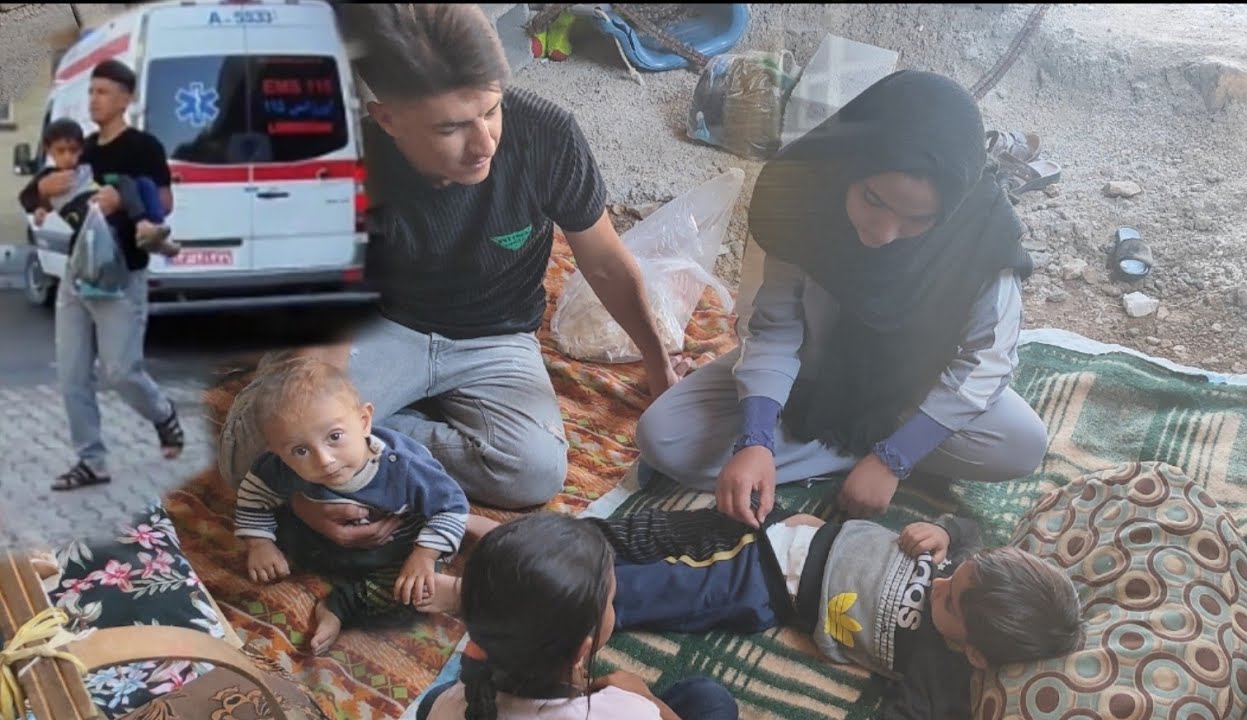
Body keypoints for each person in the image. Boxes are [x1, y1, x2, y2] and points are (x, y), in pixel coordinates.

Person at [218, 4, 683, 544]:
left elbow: (604, 261)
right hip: (379, 324)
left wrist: (658, 366)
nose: (484, 143)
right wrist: (309, 493)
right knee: (253, 456)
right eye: (451, 127)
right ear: (388, 119)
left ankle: (370, 430)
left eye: (491, 110)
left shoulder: (548, 134)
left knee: (534, 470)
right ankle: (332, 411)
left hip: (496, 335)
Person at [635, 70, 1050, 526]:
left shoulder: (984, 234)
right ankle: (849, 451)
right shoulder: (806, 195)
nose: (882, 232)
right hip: (809, 373)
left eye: (916, 220)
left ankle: (864, 453)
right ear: (851, 166)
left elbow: (986, 361)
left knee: (1021, 443)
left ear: (948, 210)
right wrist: (754, 439)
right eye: (873, 199)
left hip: (910, 386)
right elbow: (775, 330)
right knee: (663, 436)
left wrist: (895, 457)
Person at [434, 507, 1083, 719]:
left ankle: (493, 576)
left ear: (974, 651)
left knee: (666, 586)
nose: (939, 579)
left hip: (771, 585)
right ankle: (514, 561)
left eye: (946, 598)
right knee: (667, 547)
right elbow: (969, 531)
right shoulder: (966, 572)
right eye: (953, 571)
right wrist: (943, 531)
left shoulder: (940, 674)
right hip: (803, 531)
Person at [233, 356, 480, 654]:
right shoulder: (277, 468)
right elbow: (254, 494)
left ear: (364, 421)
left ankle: (339, 606)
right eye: (300, 450)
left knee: (413, 594)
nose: (324, 460)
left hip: (394, 552)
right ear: (277, 452)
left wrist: (424, 555)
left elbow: (451, 507)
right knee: (278, 524)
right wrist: (259, 543)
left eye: (334, 437)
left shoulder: (405, 467)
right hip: (318, 544)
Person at [29, 59, 186, 491]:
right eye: (91, 91)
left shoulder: (144, 147)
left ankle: (162, 413)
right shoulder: (83, 149)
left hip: (121, 275)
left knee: (121, 371)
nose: (93, 100)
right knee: (72, 374)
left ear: (125, 99)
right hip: (78, 273)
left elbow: (165, 203)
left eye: (102, 92)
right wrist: (41, 191)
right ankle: (91, 461)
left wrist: (123, 198)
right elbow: (43, 194)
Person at [417, 512, 740, 720]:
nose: (615, 605)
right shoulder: (629, 712)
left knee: (430, 699)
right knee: (709, 699)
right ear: (579, 651)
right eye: (611, 600)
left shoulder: (452, 702)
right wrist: (648, 699)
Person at [18, 117, 178, 257]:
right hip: (84, 214)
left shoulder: (85, 167)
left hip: (101, 200)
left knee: (141, 183)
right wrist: (40, 202)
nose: (68, 157)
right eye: (61, 151)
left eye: (73, 151)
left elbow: (104, 177)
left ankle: (153, 230)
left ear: (81, 149)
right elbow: (26, 198)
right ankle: (143, 231)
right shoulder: (47, 176)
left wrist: (120, 181)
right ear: (49, 150)